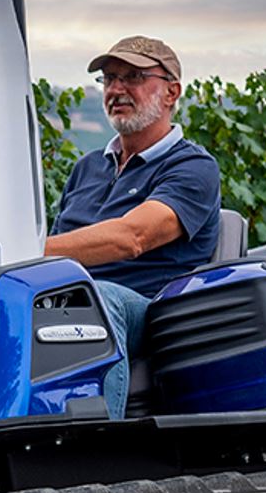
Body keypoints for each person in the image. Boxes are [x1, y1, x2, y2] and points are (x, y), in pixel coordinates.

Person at [45, 35, 221, 419]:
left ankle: (94, 441)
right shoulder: (87, 168)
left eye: (133, 77)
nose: (117, 89)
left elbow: (132, 237)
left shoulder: (192, 167)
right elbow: (58, 248)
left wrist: (22, 247)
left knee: (95, 298)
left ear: (172, 92)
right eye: (109, 79)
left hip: (146, 308)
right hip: (66, 297)